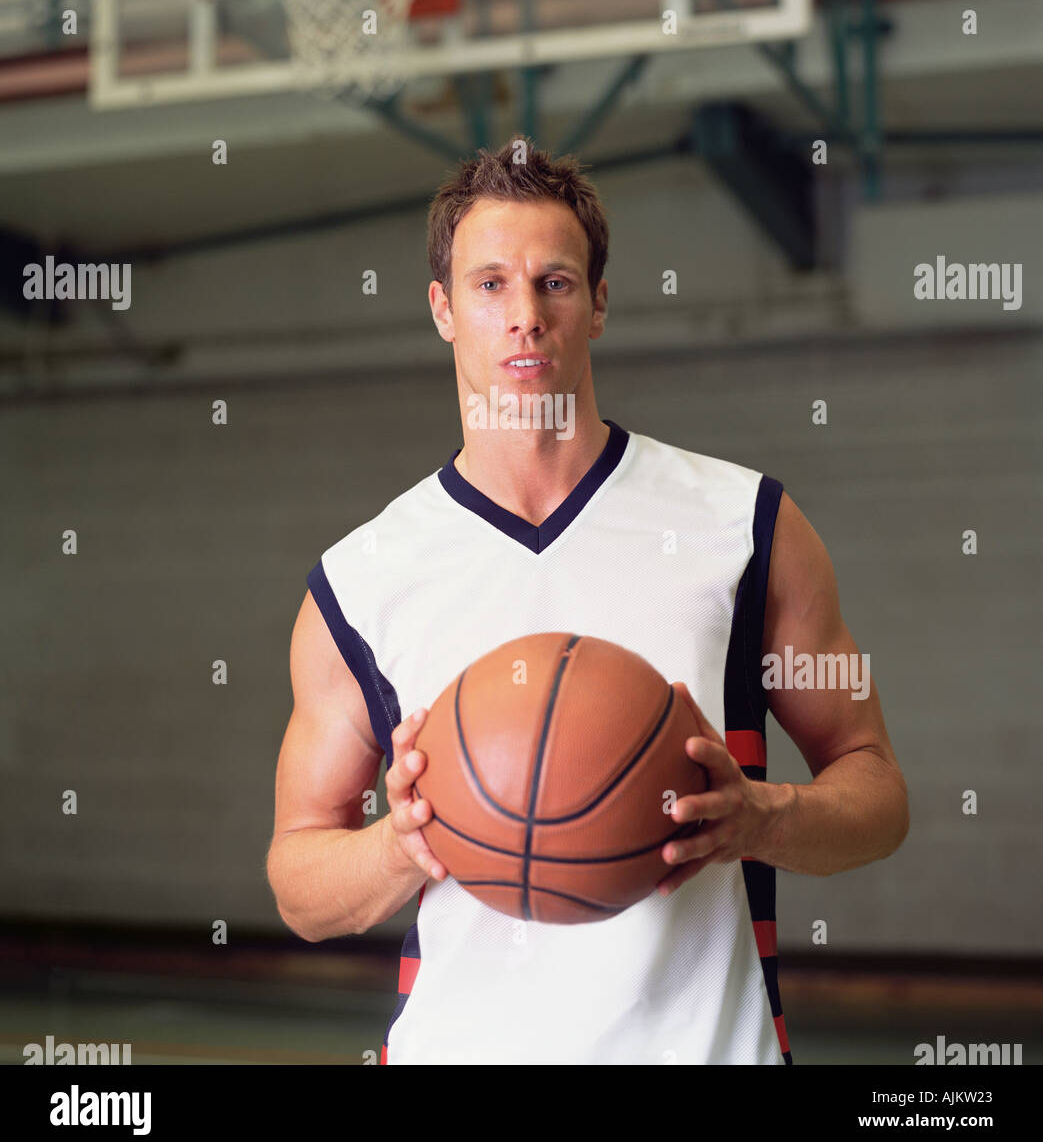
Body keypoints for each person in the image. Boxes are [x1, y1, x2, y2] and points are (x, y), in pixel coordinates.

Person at [267, 136, 909, 1064]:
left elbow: (877, 791)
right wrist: (405, 844)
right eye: (489, 285)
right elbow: (299, 882)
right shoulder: (360, 582)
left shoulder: (746, 526)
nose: (523, 315)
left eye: (554, 283)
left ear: (598, 303)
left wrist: (759, 818)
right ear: (444, 310)